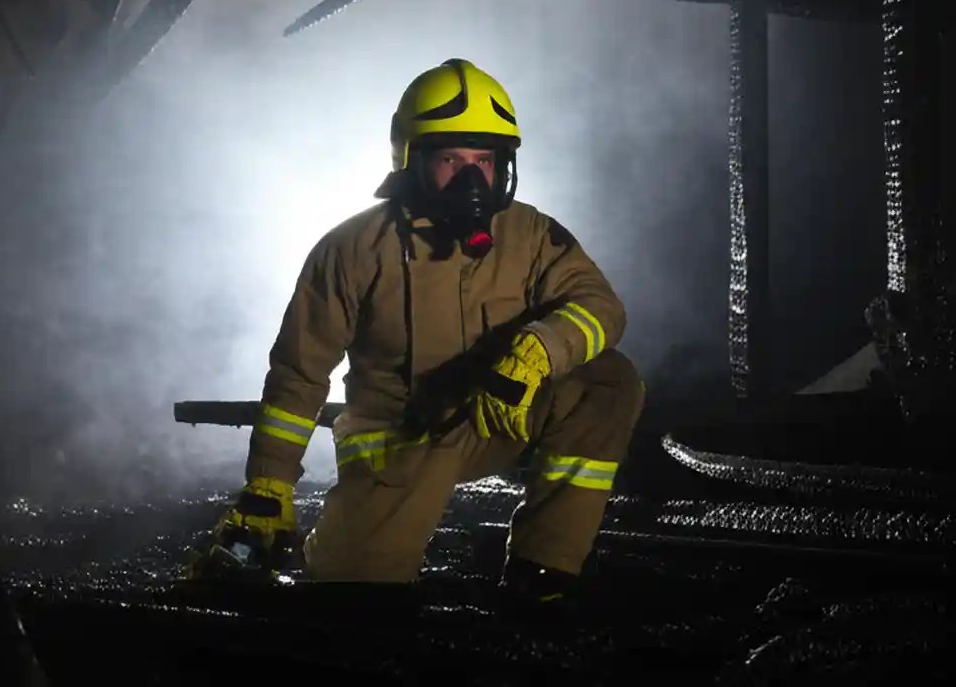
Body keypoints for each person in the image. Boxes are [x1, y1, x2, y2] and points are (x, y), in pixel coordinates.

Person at [198, 58, 645, 606]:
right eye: (451, 158)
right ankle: (330, 557)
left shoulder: (530, 233)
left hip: (495, 414)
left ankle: (543, 572)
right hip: (401, 439)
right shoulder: (353, 249)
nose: (471, 177)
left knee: (607, 380)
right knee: (347, 599)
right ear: (412, 159)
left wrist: (540, 351)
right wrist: (268, 486)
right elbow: (299, 373)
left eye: (484, 159)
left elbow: (601, 307)